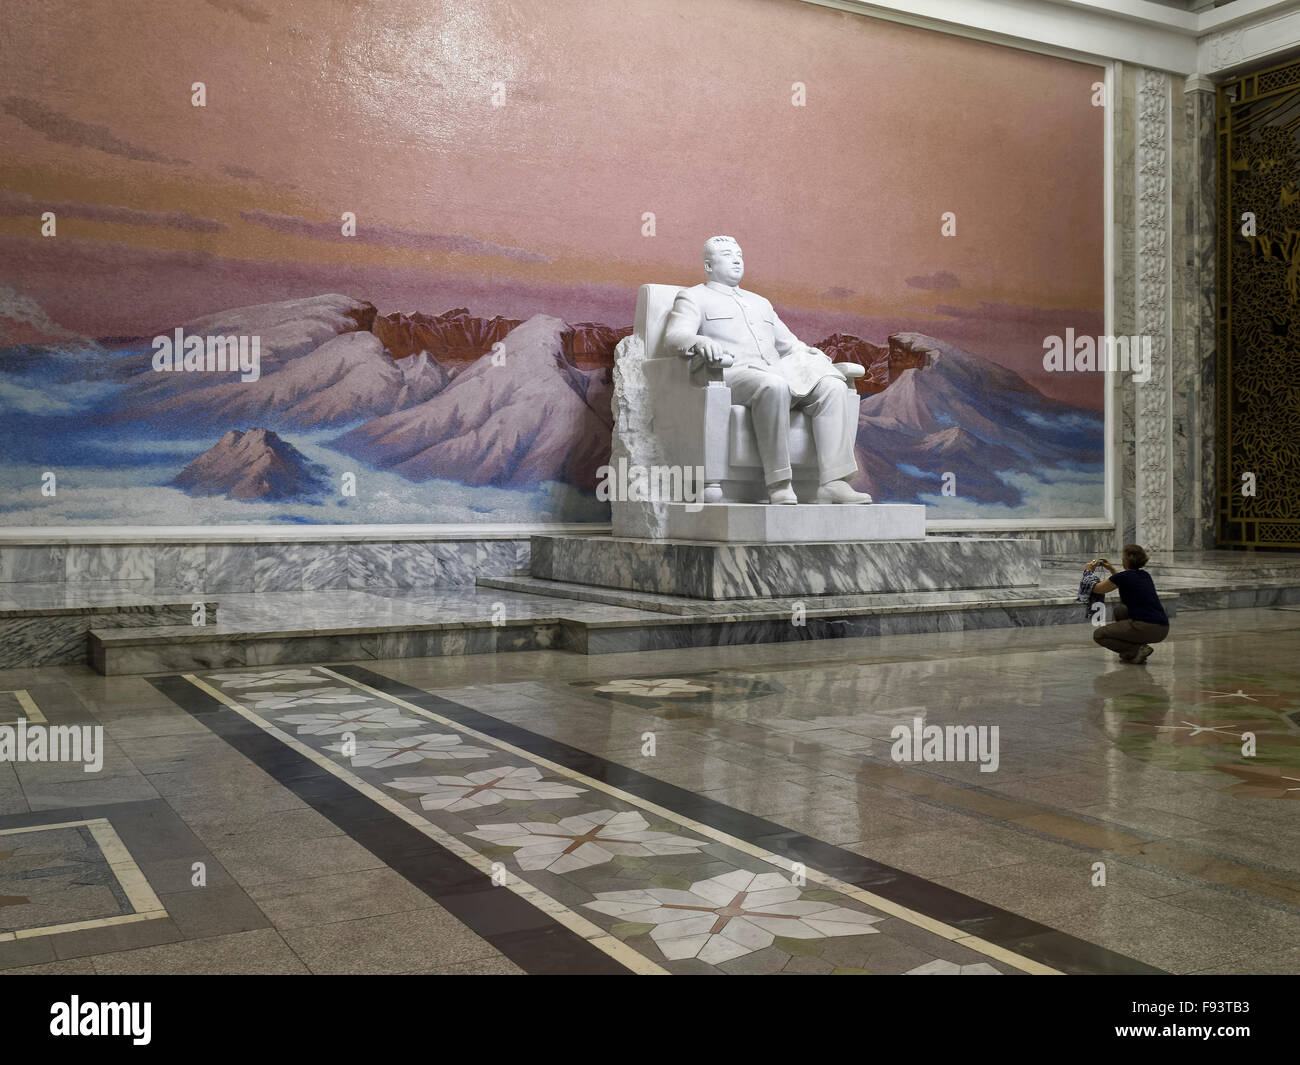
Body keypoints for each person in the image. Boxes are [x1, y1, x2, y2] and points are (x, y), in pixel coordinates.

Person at [661, 235, 872, 505]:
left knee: (833, 386)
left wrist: (811, 356)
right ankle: (779, 483)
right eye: (727, 254)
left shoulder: (760, 302)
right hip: (731, 375)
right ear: (708, 265)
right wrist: (699, 341)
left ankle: (833, 482)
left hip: (775, 373)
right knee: (773, 385)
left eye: (740, 254)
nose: (737, 259)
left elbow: (790, 345)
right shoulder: (693, 297)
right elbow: (674, 337)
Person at [1089, 544, 1170, 664]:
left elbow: (1097, 589)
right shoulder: (1145, 575)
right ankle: (1137, 649)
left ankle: (1136, 649)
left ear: (1128, 559)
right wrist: (1111, 569)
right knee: (1120, 610)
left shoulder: (1124, 577)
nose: (1122, 558)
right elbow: (1124, 579)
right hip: (1162, 628)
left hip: (1145, 627)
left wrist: (1088, 572)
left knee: (1099, 635)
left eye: (1123, 556)